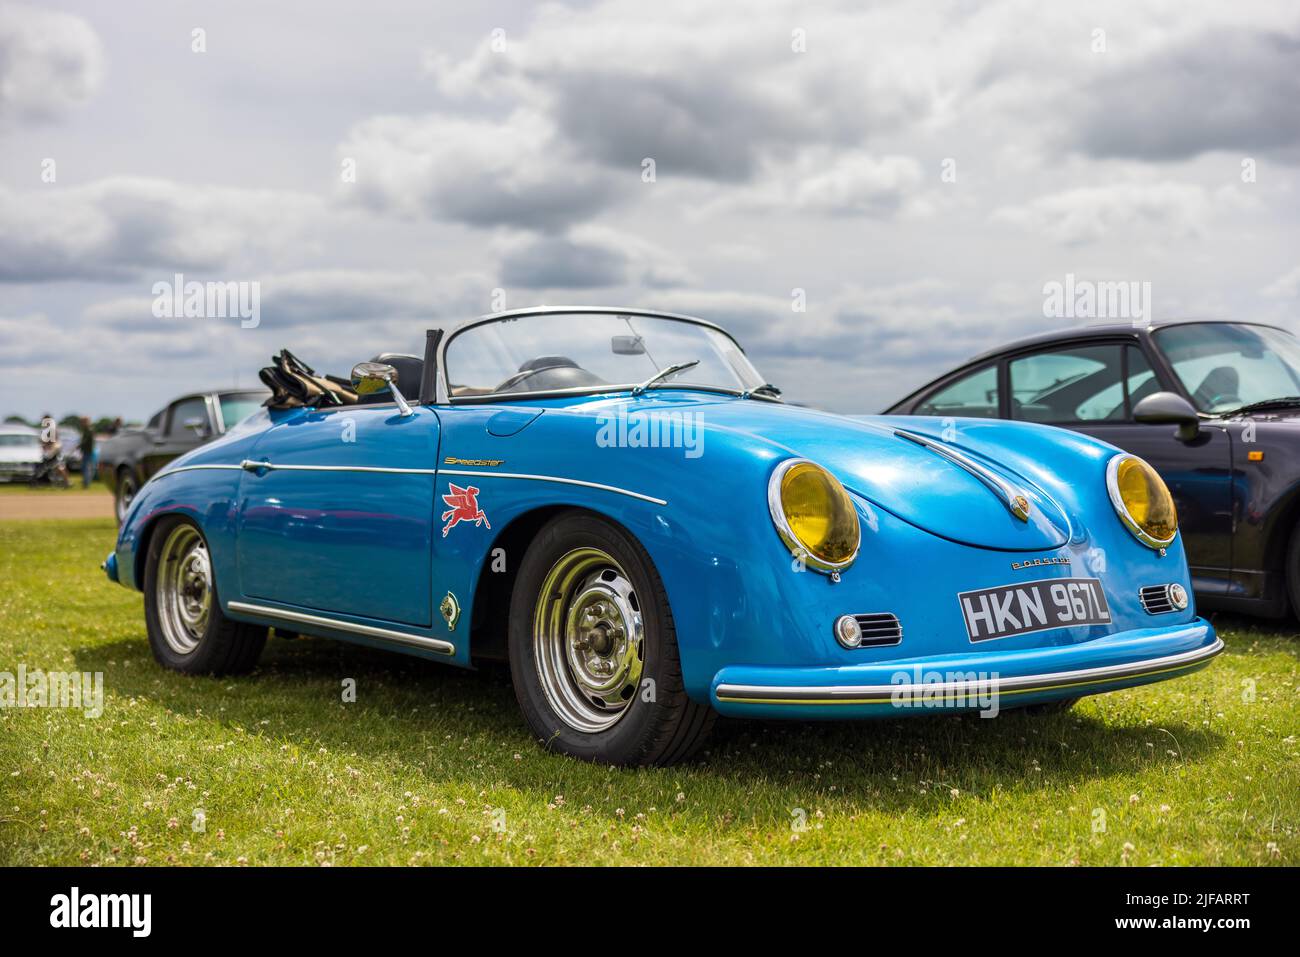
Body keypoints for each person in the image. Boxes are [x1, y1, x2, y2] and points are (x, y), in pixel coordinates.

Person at [78, 416, 96, 488]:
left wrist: (79, 446)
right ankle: (86, 482)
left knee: (87, 468)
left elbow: (85, 441)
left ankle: (86, 483)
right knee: (85, 467)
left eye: (83, 421)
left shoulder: (89, 430)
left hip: (89, 452)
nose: (82, 423)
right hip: (85, 452)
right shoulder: (85, 430)